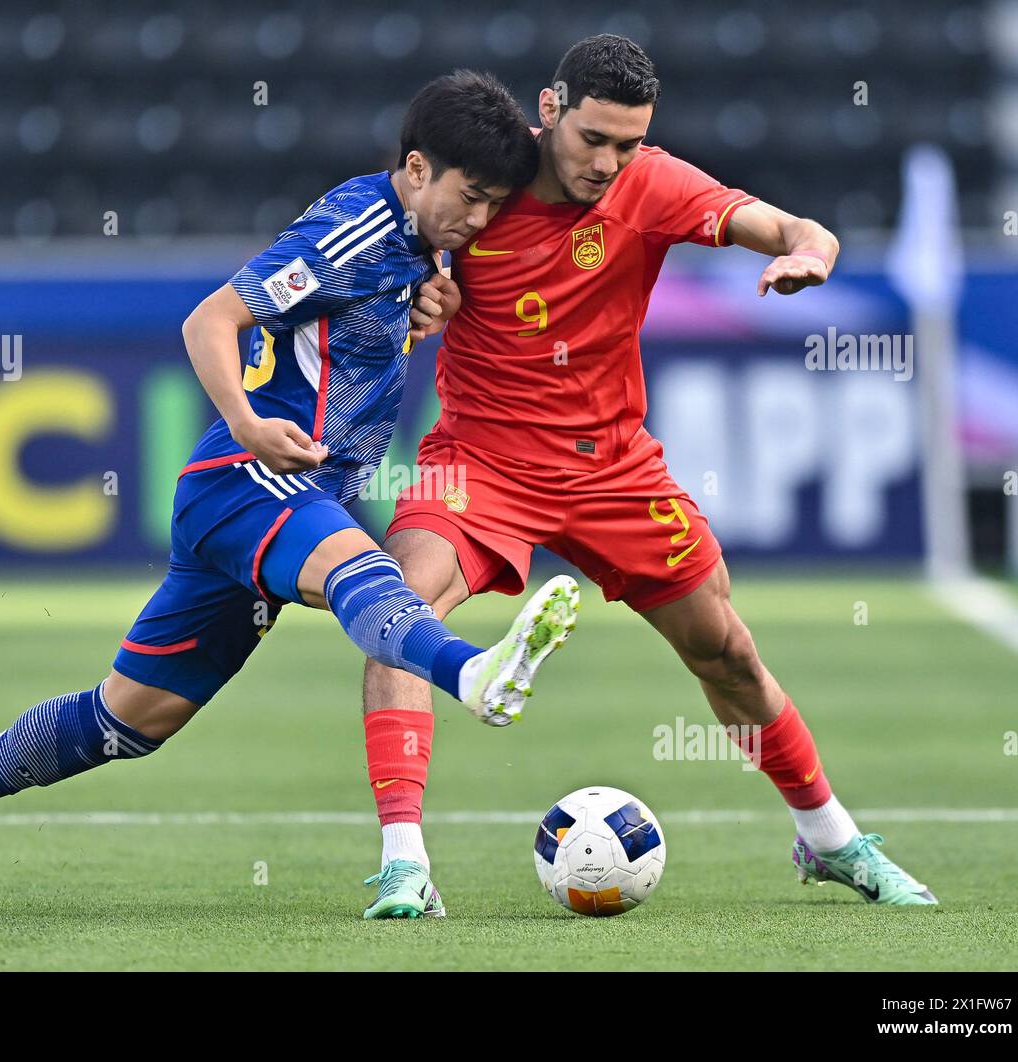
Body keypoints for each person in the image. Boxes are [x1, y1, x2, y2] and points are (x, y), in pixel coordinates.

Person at [0, 70, 579, 914]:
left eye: (495, 204)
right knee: (367, 571)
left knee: (128, 721)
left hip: (271, 494)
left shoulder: (421, 242)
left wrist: (430, 299)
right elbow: (209, 320)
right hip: (248, 475)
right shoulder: (352, 228)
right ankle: (470, 673)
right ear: (417, 168)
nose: (480, 219)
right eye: (471, 197)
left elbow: (360, 309)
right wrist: (242, 419)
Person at [359, 36, 937, 918]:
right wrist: (419, 301)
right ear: (550, 110)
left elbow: (791, 226)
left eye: (627, 144)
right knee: (398, 611)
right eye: (594, 138)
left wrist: (809, 254)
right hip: (480, 461)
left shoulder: (653, 184)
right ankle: (404, 864)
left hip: (613, 469)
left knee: (727, 651)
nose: (608, 163)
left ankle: (829, 839)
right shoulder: (488, 179)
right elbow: (403, 247)